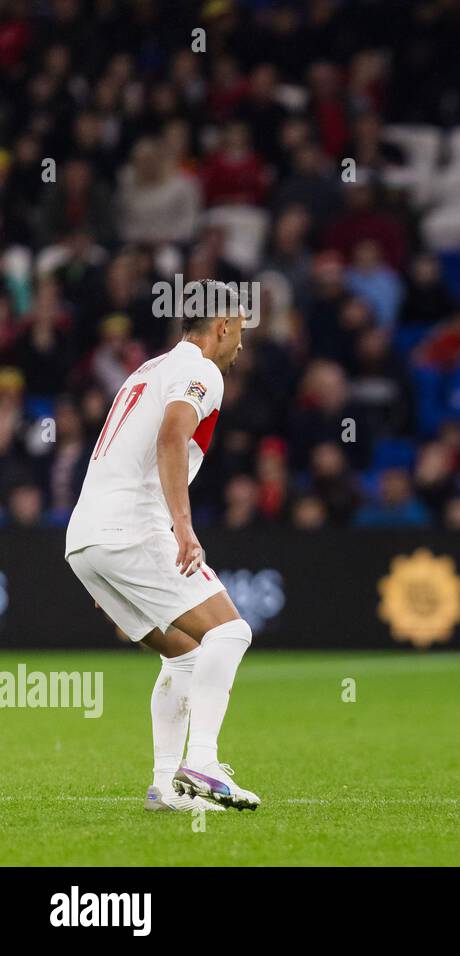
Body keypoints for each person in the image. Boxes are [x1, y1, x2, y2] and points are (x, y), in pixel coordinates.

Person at [64, 280, 261, 812]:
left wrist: (99, 558)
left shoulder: (148, 369)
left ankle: (166, 787)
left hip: (87, 537)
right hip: (133, 527)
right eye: (240, 328)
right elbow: (172, 436)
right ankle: (201, 761)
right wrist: (183, 527)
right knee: (230, 632)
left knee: (185, 656)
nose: (241, 342)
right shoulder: (201, 371)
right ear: (221, 326)